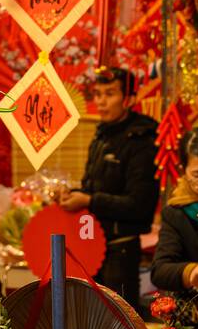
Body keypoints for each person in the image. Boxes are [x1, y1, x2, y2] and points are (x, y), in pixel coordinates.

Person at [58, 66, 159, 314]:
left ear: (129, 98)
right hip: (94, 244)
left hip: (121, 251)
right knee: (92, 323)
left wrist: (89, 200)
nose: (101, 102)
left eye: (110, 93)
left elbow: (139, 204)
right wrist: (72, 194)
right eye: (98, 94)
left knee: (120, 325)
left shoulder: (142, 140)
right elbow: (91, 187)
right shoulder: (102, 134)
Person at [150, 127, 198, 329]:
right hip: (197, 323)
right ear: (184, 170)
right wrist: (191, 271)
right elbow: (160, 270)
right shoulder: (177, 214)